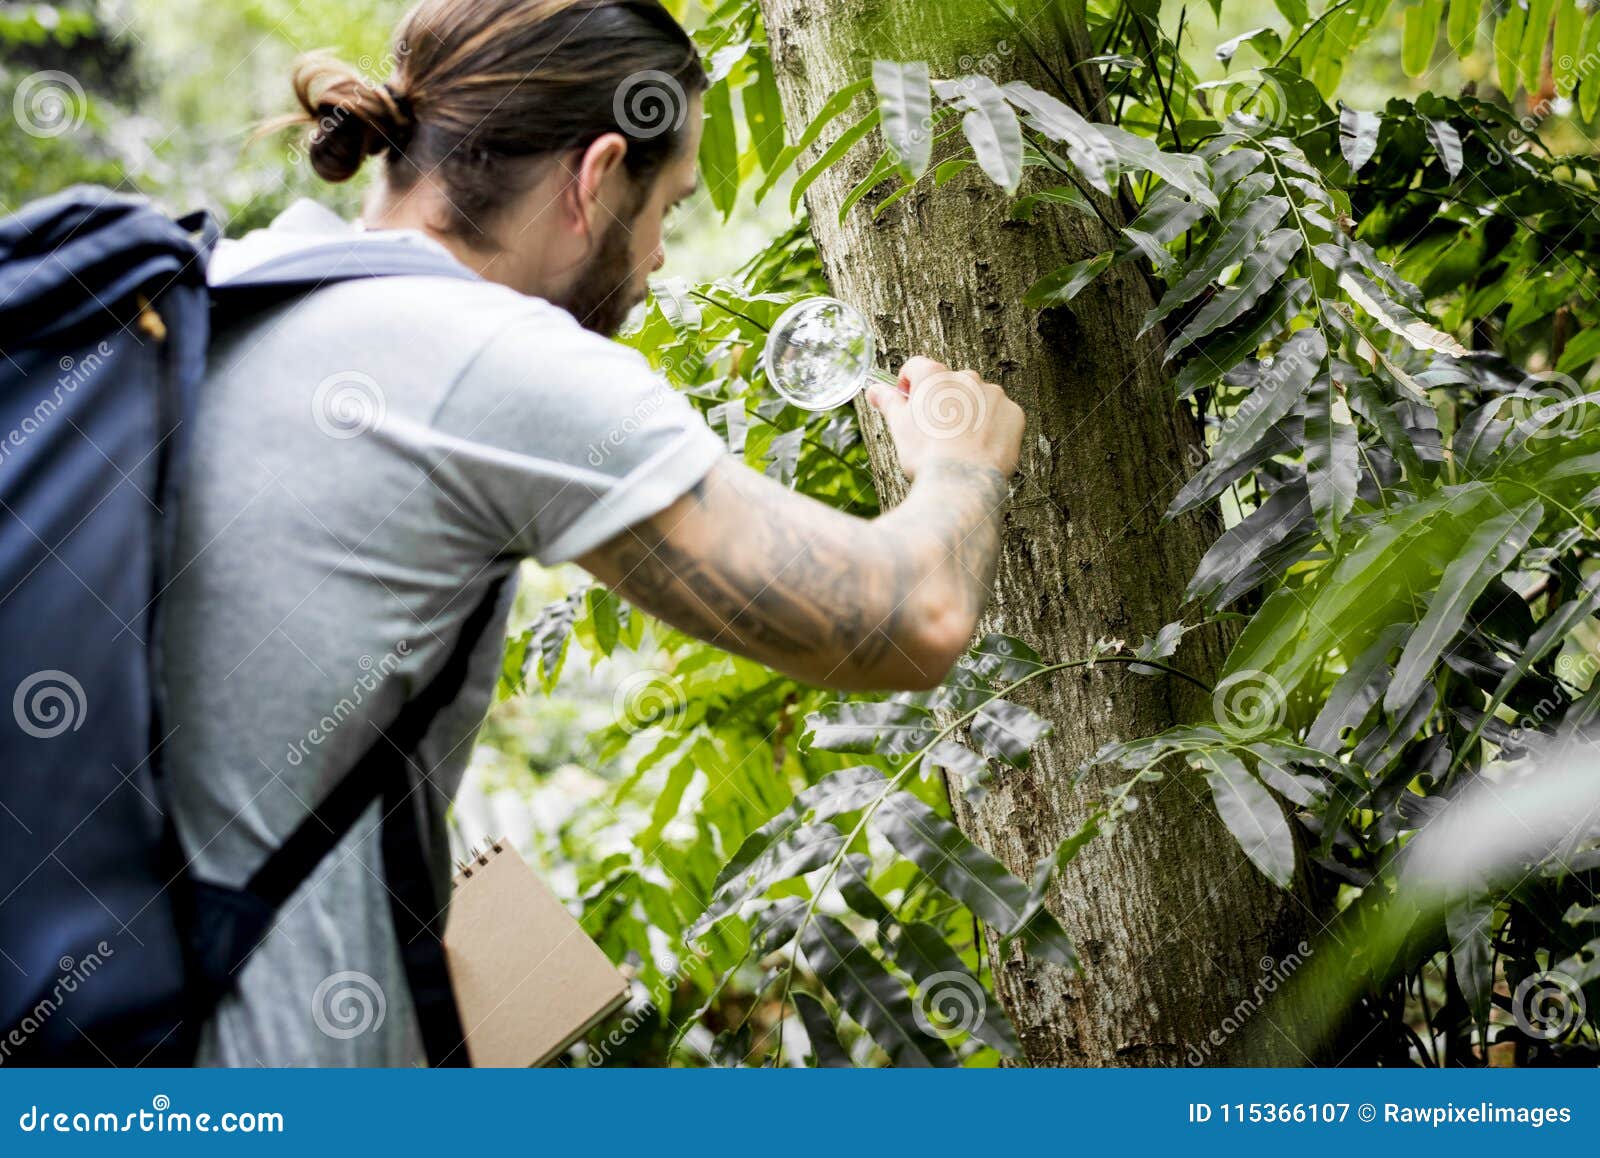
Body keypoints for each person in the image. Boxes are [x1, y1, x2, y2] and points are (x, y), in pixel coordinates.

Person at [167, 0, 1025, 1066]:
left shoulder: (219, 288)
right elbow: (913, 617)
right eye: (664, 206)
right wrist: (960, 466)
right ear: (596, 174)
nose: (659, 256)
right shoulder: (495, 358)